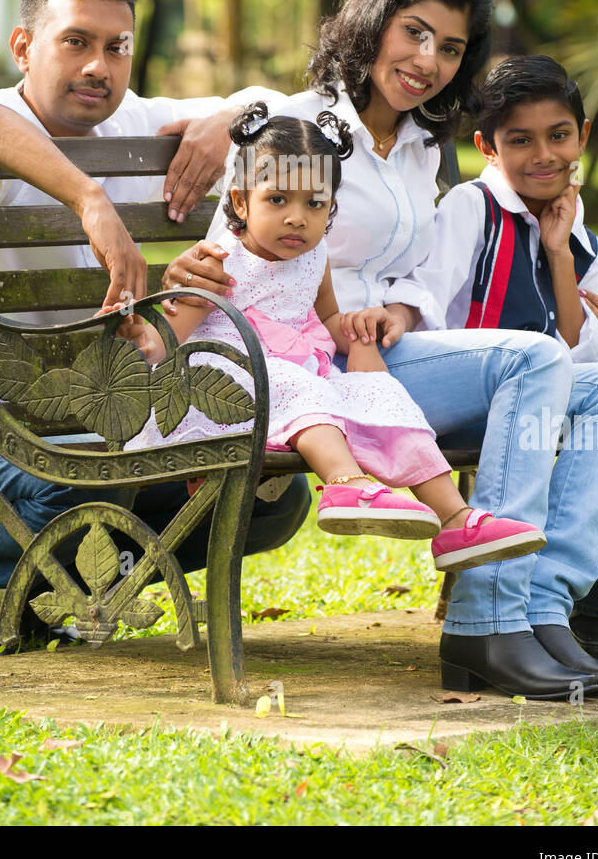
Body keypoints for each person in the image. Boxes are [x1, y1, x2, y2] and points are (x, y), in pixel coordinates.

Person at [164, 0, 598, 699]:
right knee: (533, 360)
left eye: (450, 47)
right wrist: (225, 114)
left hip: (387, 355)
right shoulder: (301, 127)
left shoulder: (424, 144)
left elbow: (416, 275)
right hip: (317, 365)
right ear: (372, 23)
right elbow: (240, 229)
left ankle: (539, 611)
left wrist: (399, 307)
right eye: (414, 32)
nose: (428, 60)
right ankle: (484, 625)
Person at [0, 0, 309, 648]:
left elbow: (282, 105)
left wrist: (228, 120)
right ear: (24, 48)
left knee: (266, 495)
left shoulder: (136, 124)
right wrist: (89, 198)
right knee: (93, 458)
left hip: (78, 425)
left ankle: (8, 578)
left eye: (115, 48)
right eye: (75, 42)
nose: (98, 65)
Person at [135, 102, 545, 568]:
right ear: (240, 201)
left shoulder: (314, 257)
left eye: (315, 204)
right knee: (300, 384)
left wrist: (357, 332)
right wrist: (139, 330)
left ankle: (455, 519)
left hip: (295, 380)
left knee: (381, 393)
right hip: (223, 385)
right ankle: (345, 486)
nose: (297, 217)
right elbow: (166, 342)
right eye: (278, 200)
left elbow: (328, 321)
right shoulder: (218, 261)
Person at [419, 54, 598, 664]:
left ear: (583, 136)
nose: (544, 154)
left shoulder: (580, 237)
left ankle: (561, 567)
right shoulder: (471, 211)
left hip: (562, 391)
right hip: (479, 397)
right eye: (520, 140)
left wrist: (558, 255)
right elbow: (431, 319)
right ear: (487, 146)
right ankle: (595, 606)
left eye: (559, 136)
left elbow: (582, 353)